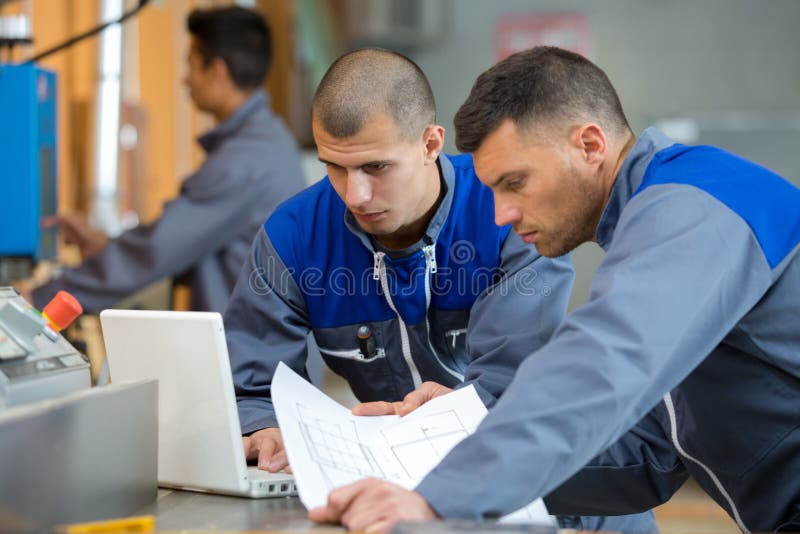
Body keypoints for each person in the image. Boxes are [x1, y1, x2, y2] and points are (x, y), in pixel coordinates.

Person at [309, 45, 800, 533]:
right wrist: (438, 447)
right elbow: (649, 453)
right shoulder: (656, 222)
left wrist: (442, 497)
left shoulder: (697, 205)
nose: (501, 214)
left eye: (515, 182)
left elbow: (602, 362)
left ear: (589, 145)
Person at [224, 48, 656, 532]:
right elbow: (252, 384)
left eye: (376, 167)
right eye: (335, 167)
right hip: (403, 498)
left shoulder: (508, 211)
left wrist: (448, 408)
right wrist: (262, 426)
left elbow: (510, 387)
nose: (355, 195)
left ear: (430, 144)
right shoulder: (292, 237)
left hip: (550, 487)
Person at [25, 6, 304, 313]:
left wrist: (37, 302)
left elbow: (156, 252)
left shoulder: (244, 160)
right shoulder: (269, 141)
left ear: (218, 71)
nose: (185, 81)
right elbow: (175, 243)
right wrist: (105, 245)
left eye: (192, 66)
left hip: (248, 353)